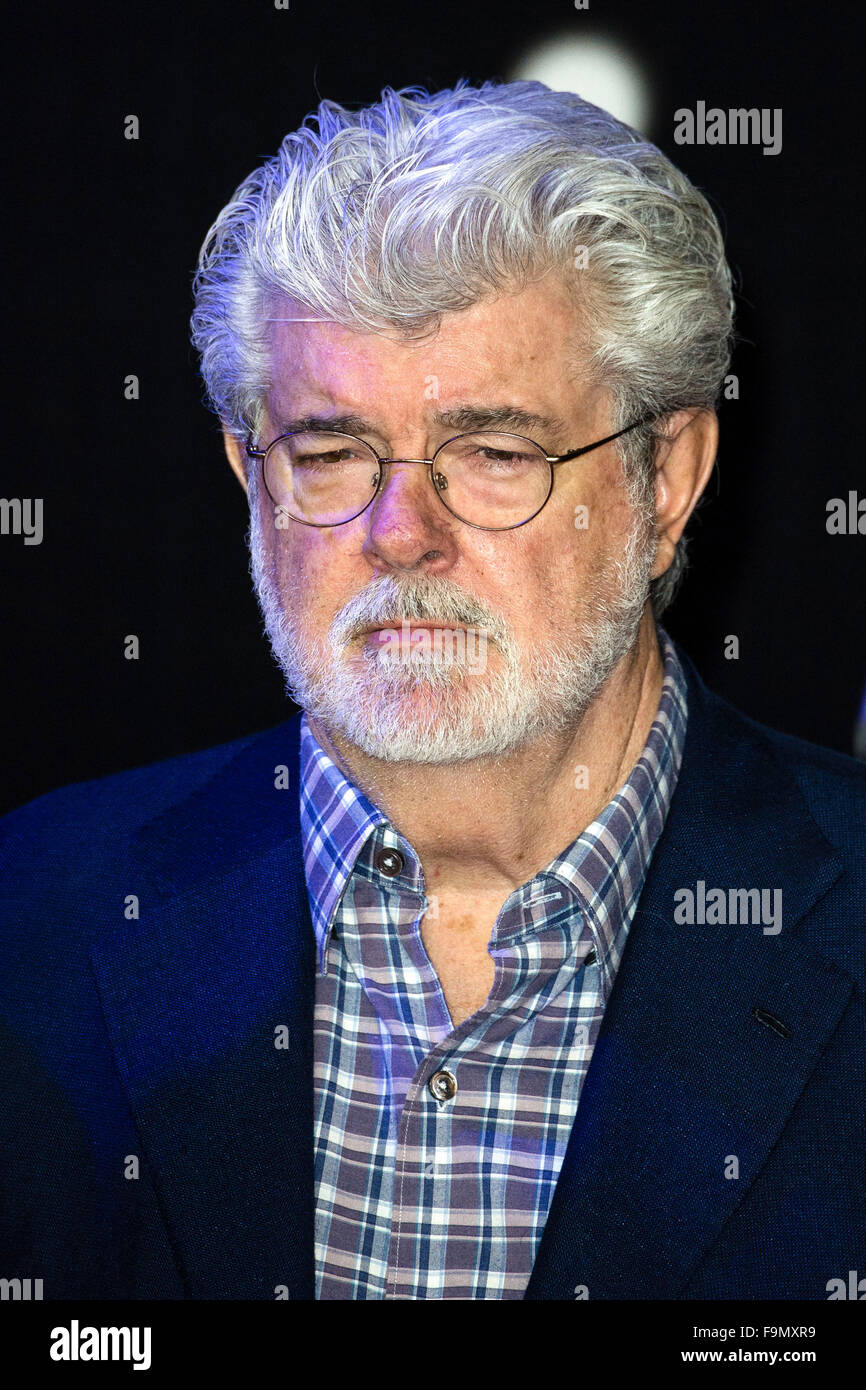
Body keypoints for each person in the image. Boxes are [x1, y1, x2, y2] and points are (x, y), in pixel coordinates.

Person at [1, 80, 863, 1302]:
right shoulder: (28, 918)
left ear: (663, 479)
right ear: (252, 477)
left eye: (494, 454)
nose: (398, 532)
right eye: (333, 453)